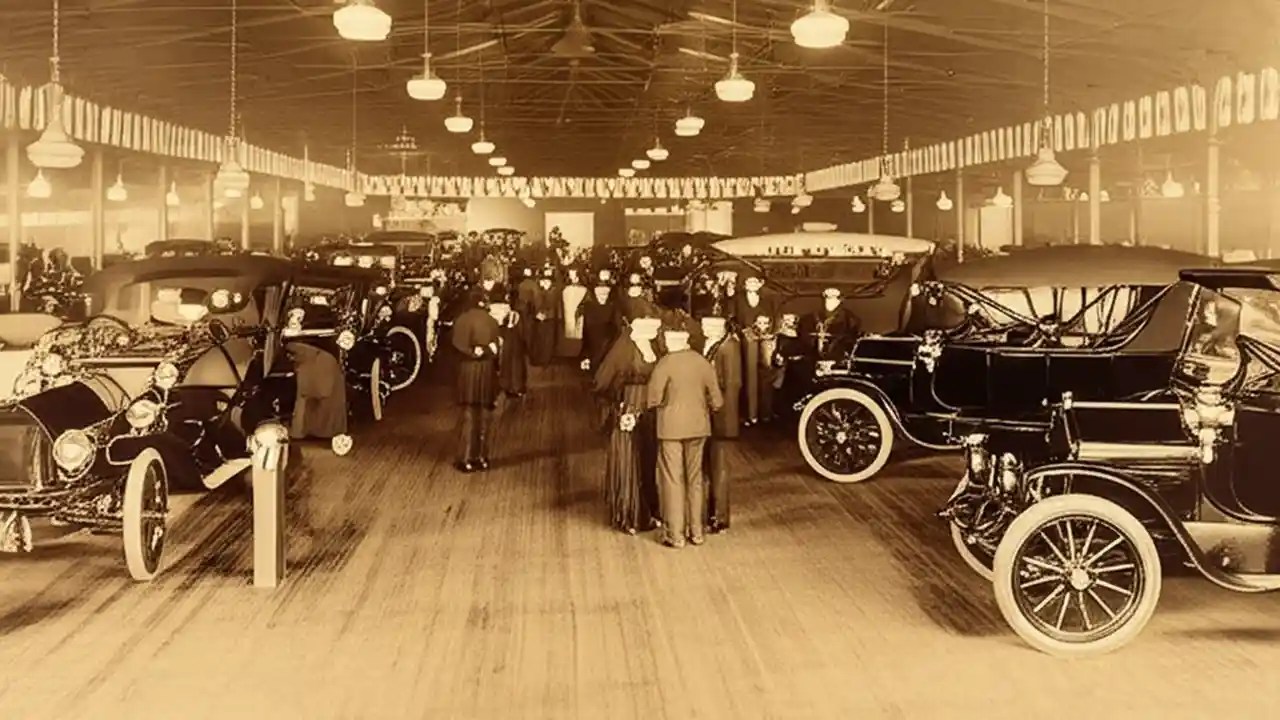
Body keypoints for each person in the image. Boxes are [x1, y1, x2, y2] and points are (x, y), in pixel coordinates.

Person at [646, 317, 724, 548]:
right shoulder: (702, 362)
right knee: (696, 479)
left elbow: (653, 399)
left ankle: (676, 535)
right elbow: (717, 401)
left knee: (672, 480)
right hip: (699, 427)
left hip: (670, 429)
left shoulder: (665, 364)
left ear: (672, 341)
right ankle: (697, 532)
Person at [593, 316, 663, 535]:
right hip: (629, 408)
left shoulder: (653, 346)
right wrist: (618, 410)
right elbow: (603, 381)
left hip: (650, 410)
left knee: (648, 459)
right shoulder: (623, 350)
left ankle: (650, 511)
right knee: (631, 461)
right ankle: (630, 516)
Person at [450, 290, 502, 472]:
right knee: (484, 417)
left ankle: (465, 459)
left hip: (468, 370)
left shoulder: (462, 320)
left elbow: (457, 346)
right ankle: (482, 458)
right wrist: (486, 351)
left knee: (468, 415)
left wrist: (473, 352)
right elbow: (496, 349)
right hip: (487, 371)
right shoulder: (492, 322)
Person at [700, 316, 740, 534]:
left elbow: (730, 383)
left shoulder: (728, 347)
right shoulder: (719, 344)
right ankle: (712, 513)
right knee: (713, 468)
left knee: (719, 469)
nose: (704, 329)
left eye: (708, 326)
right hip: (715, 417)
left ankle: (720, 517)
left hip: (721, 418)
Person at [732, 272, 778, 426]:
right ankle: (749, 415)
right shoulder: (738, 300)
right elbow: (733, 320)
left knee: (766, 375)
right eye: (748, 281)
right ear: (744, 285)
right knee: (748, 377)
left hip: (764, 343)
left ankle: (765, 413)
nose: (751, 284)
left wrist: (769, 334)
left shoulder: (767, 301)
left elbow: (773, 319)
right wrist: (741, 332)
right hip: (746, 344)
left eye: (754, 281)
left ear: (760, 284)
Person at [578, 280, 617, 372]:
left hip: (608, 336)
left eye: (605, 293)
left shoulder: (613, 306)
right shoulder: (589, 306)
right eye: (600, 293)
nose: (603, 295)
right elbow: (587, 329)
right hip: (592, 335)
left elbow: (616, 323)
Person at [527, 267, 560, 367]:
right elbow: (532, 305)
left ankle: (546, 360)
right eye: (544, 281)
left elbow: (555, 307)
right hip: (538, 320)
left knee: (548, 342)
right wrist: (536, 314)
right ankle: (538, 358)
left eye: (547, 281)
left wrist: (545, 314)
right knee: (539, 340)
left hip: (549, 320)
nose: (545, 283)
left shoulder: (554, 292)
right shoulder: (538, 292)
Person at [496, 297, 528, 398]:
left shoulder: (506, 315)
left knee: (506, 364)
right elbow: (523, 332)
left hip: (507, 342)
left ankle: (507, 386)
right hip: (517, 343)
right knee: (517, 366)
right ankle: (517, 387)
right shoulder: (519, 316)